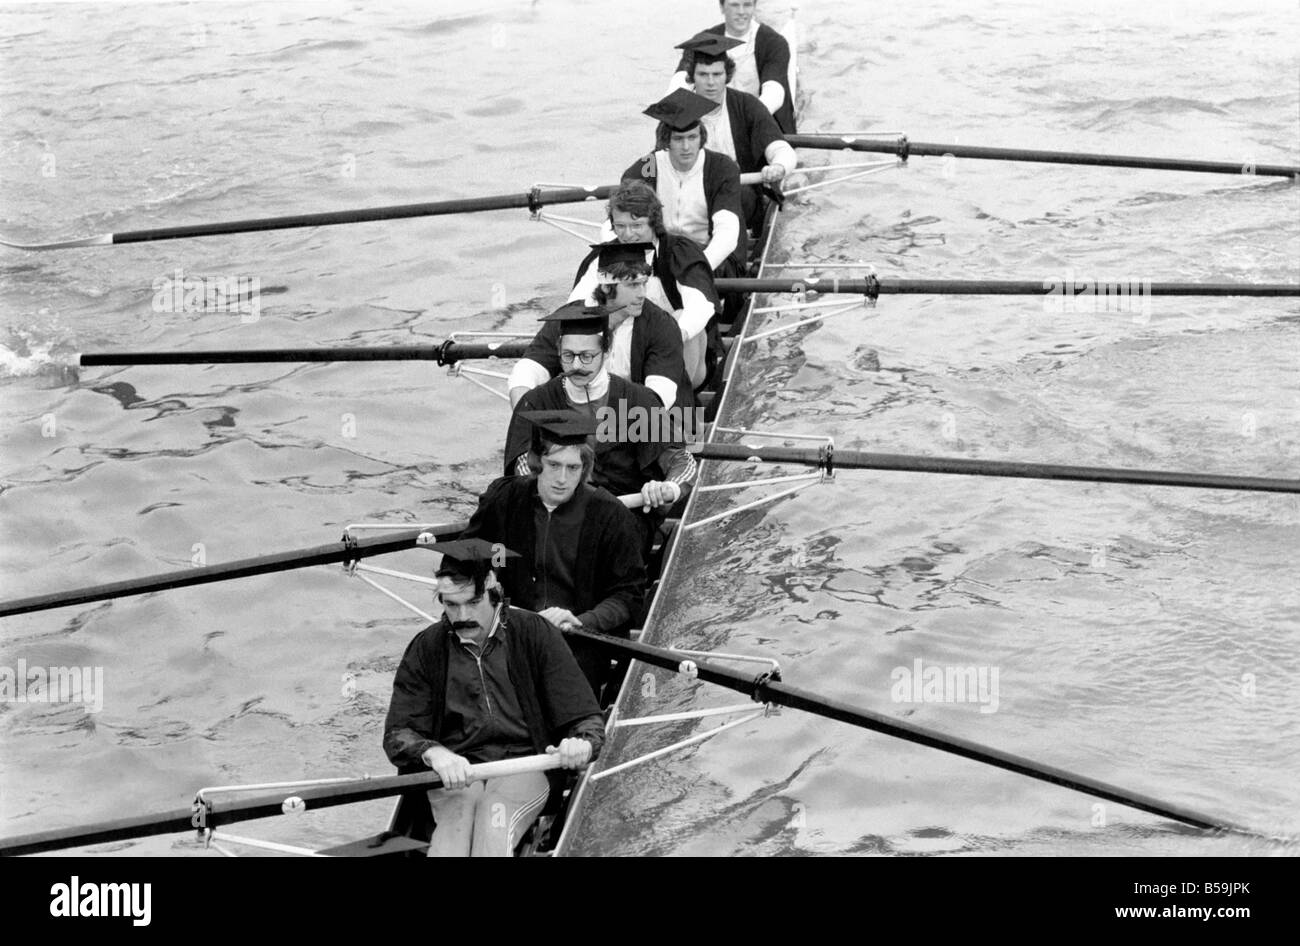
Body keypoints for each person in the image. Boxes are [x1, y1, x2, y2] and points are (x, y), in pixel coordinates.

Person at [382, 538, 606, 857]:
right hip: (456, 772)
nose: (461, 616)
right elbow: (397, 735)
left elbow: (588, 720)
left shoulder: (535, 633)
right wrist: (434, 753)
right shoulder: (427, 648)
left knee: (494, 817)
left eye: (472, 603)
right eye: (450, 604)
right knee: (451, 841)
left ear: (492, 587)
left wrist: (580, 742)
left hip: (524, 764)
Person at [465, 413, 647, 693]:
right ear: (537, 463)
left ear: (584, 468)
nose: (562, 479)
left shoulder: (610, 514)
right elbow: (462, 561)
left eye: (573, 468)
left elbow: (628, 596)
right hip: (509, 631)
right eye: (554, 465)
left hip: (578, 639)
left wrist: (583, 621)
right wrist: (482, 585)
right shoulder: (503, 499)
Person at [503, 308, 697, 545]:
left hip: (625, 515)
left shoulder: (638, 400)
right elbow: (522, 467)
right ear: (558, 352)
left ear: (606, 352)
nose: (576, 365)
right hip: (555, 514)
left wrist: (668, 487)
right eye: (568, 356)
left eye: (587, 356)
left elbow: (682, 461)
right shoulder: (535, 402)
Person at [568, 180, 721, 390]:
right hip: (625, 351)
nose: (628, 235)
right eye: (620, 226)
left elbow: (701, 305)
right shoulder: (602, 258)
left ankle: (671, 405)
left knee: (683, 318)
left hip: (679, 357)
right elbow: (576, 307)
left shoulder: (679, 251)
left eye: (636, 225)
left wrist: (670, 336)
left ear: (653, 222)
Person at [507, 264, 693, 416]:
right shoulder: (570, 318)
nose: (642, 293)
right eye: (633, 285)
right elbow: (529, 369)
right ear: (606, 286)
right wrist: (523, 414)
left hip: (650, 422)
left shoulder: (662, 324)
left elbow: (661, 395)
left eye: (644, 284)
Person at [674, 31, 798, 232]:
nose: (711, 82)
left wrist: (779, 167)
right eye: (703, 75)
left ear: (727, 75)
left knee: (736, 196)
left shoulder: (747, 106)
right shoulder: (677, 111)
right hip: (691, 199)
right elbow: (655, 162)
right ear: (692, 76)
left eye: (717, 74)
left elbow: (780, 147)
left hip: (741, 196)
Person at [623, 89, 745, 277]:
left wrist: (698, 269)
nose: (686, 147)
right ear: (667, 141)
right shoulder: (647, 168)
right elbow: (617, 221)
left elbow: (727, 232)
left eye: (692, 137)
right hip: (662, 254)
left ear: (701, 138)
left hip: (710, 255)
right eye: (679, 139)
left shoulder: (722, 167)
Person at [668, 0, 797, 134]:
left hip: (761, 122)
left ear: (754, 7)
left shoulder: (774, 43)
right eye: (734, 5)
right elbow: (681, 78)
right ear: (722, 7)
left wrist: (747, 121)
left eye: (747, 5)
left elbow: (774, 92)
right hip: (715, 123)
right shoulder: (702, 41)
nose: (741, 12)